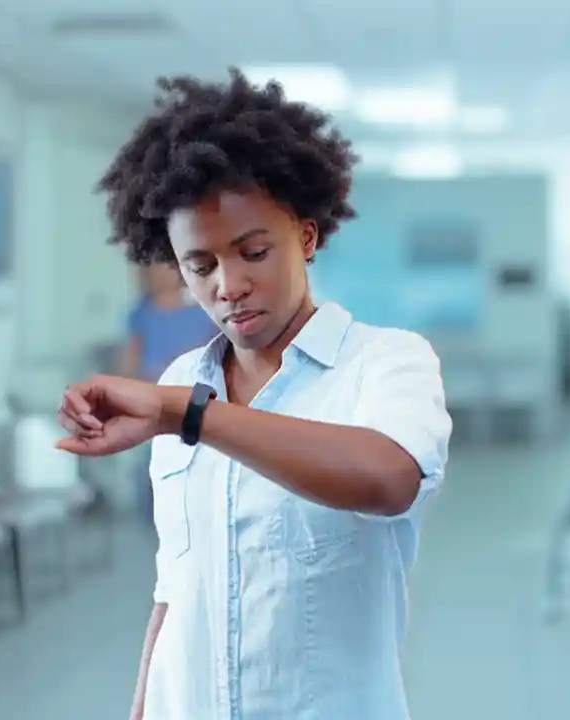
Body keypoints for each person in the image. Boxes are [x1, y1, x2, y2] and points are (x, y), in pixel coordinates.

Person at [54, 69, 452, 720]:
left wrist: (186, 415)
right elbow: (174, 589)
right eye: (201, 266)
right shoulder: (179, 382)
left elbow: (388, 478)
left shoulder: (388, 362)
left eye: (253, 251)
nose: (229, 285)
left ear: (306, 235)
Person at [119, 262, 217, 522]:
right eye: (154, 268)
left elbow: (216, 359)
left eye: (167, 267)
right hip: (155, 402)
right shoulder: (141, 314)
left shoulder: (202, 312)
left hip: (196, 401)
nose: (161, 275)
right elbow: (129, 363)